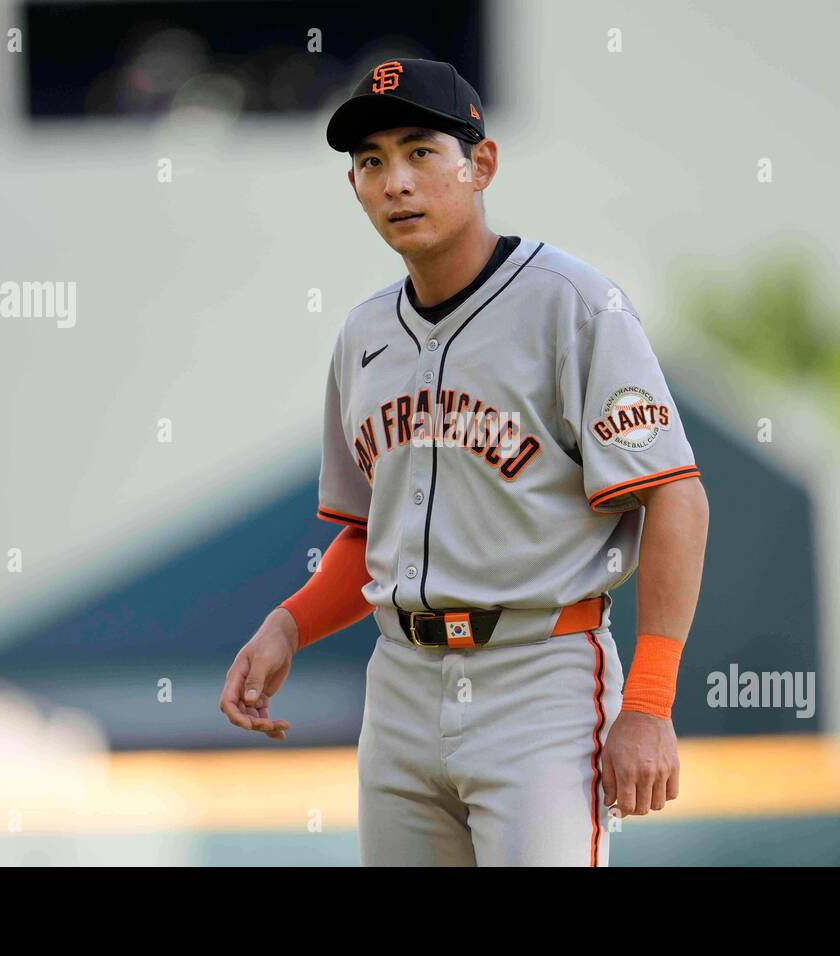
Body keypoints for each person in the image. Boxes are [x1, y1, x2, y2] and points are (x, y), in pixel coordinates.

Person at [220, 58, 709, 866]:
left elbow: (675, 498)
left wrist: (650, 704)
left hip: (538, 677)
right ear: (353, 188)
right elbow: (367, 537)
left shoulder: (573, 304)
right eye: (371, 162)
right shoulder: (362, 335)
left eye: (420, 152)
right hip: (401, 685)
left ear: (480, 164)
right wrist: (288, 625)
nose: (395, 182)